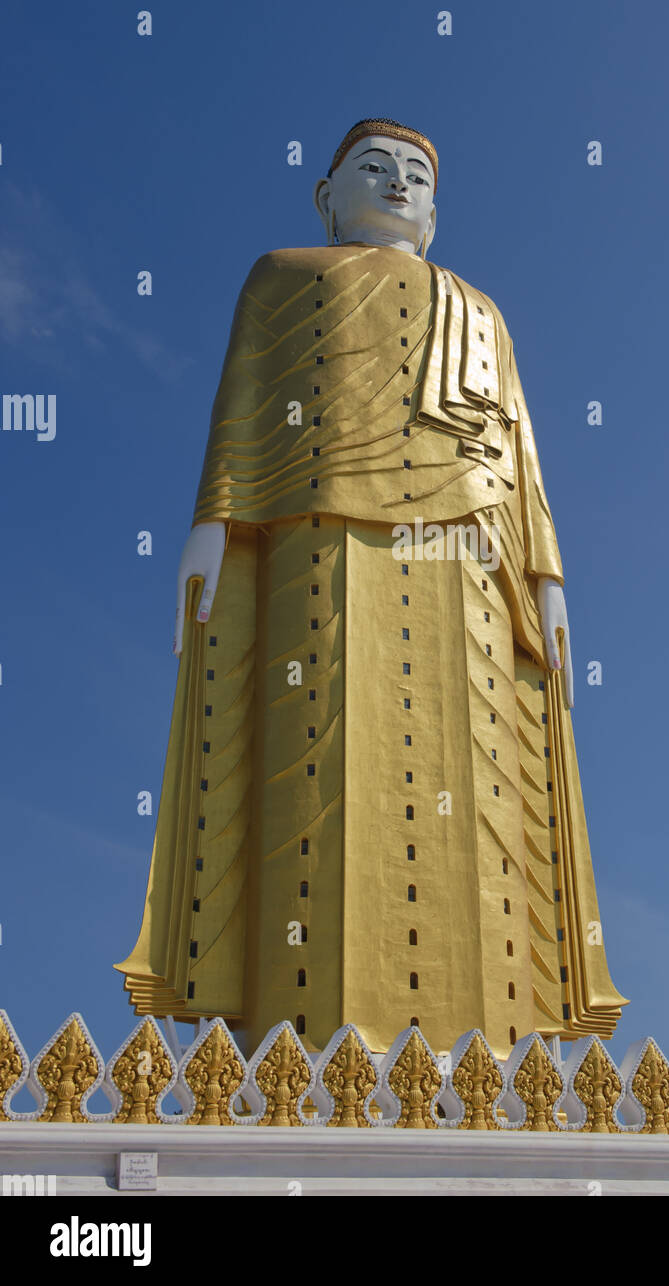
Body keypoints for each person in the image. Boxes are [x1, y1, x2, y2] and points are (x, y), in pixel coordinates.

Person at [115, 118, 626, 1059]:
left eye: (417, 177)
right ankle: (293, 1059)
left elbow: (521, 459)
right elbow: (244, 406)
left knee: (487, 788)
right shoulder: (284, 275)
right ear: (327, 195)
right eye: (374, 169)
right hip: (319, 537)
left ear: (435, 212)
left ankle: (501, 1067)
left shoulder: (480, 310)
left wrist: (549, 577)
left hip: (469, 557)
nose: (397, 185)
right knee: (314, 767)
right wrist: (210, 520)